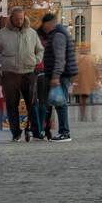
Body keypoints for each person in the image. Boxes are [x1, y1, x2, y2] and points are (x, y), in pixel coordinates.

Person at [0, 7, 44, 141]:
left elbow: (40, 50)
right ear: (11, 18)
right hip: (10, 74)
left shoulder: (31, 33)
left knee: (32, 104)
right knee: (12, 105)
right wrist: (4, 61)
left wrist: (36, 60)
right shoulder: (3, 34)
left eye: (21, 18)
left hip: (28, 73)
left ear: (24, 16)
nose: (20, 21)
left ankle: (36, 132)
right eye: (17, 18)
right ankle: (16, 133)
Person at [40, 13, 76, 142]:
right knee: (58, 102)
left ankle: (64, 133)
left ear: (49, 24)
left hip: (60, 75)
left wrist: (55, 76)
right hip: (61, 74)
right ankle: (57, 131)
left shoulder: (58, 36)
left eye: (45, 26)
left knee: (60, 103)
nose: (45, 29)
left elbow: (60, 59)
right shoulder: (59, 34)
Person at [74, 43, 100, 122]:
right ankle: (91, 116)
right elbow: (96, 70)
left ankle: (83, 116)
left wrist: (75, 80)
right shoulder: (91, 58)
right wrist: (98, 79)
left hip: (82, 83)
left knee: (83, 100)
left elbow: (75, 71)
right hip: (91, 83)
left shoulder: (78, 58)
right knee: (92, 100)